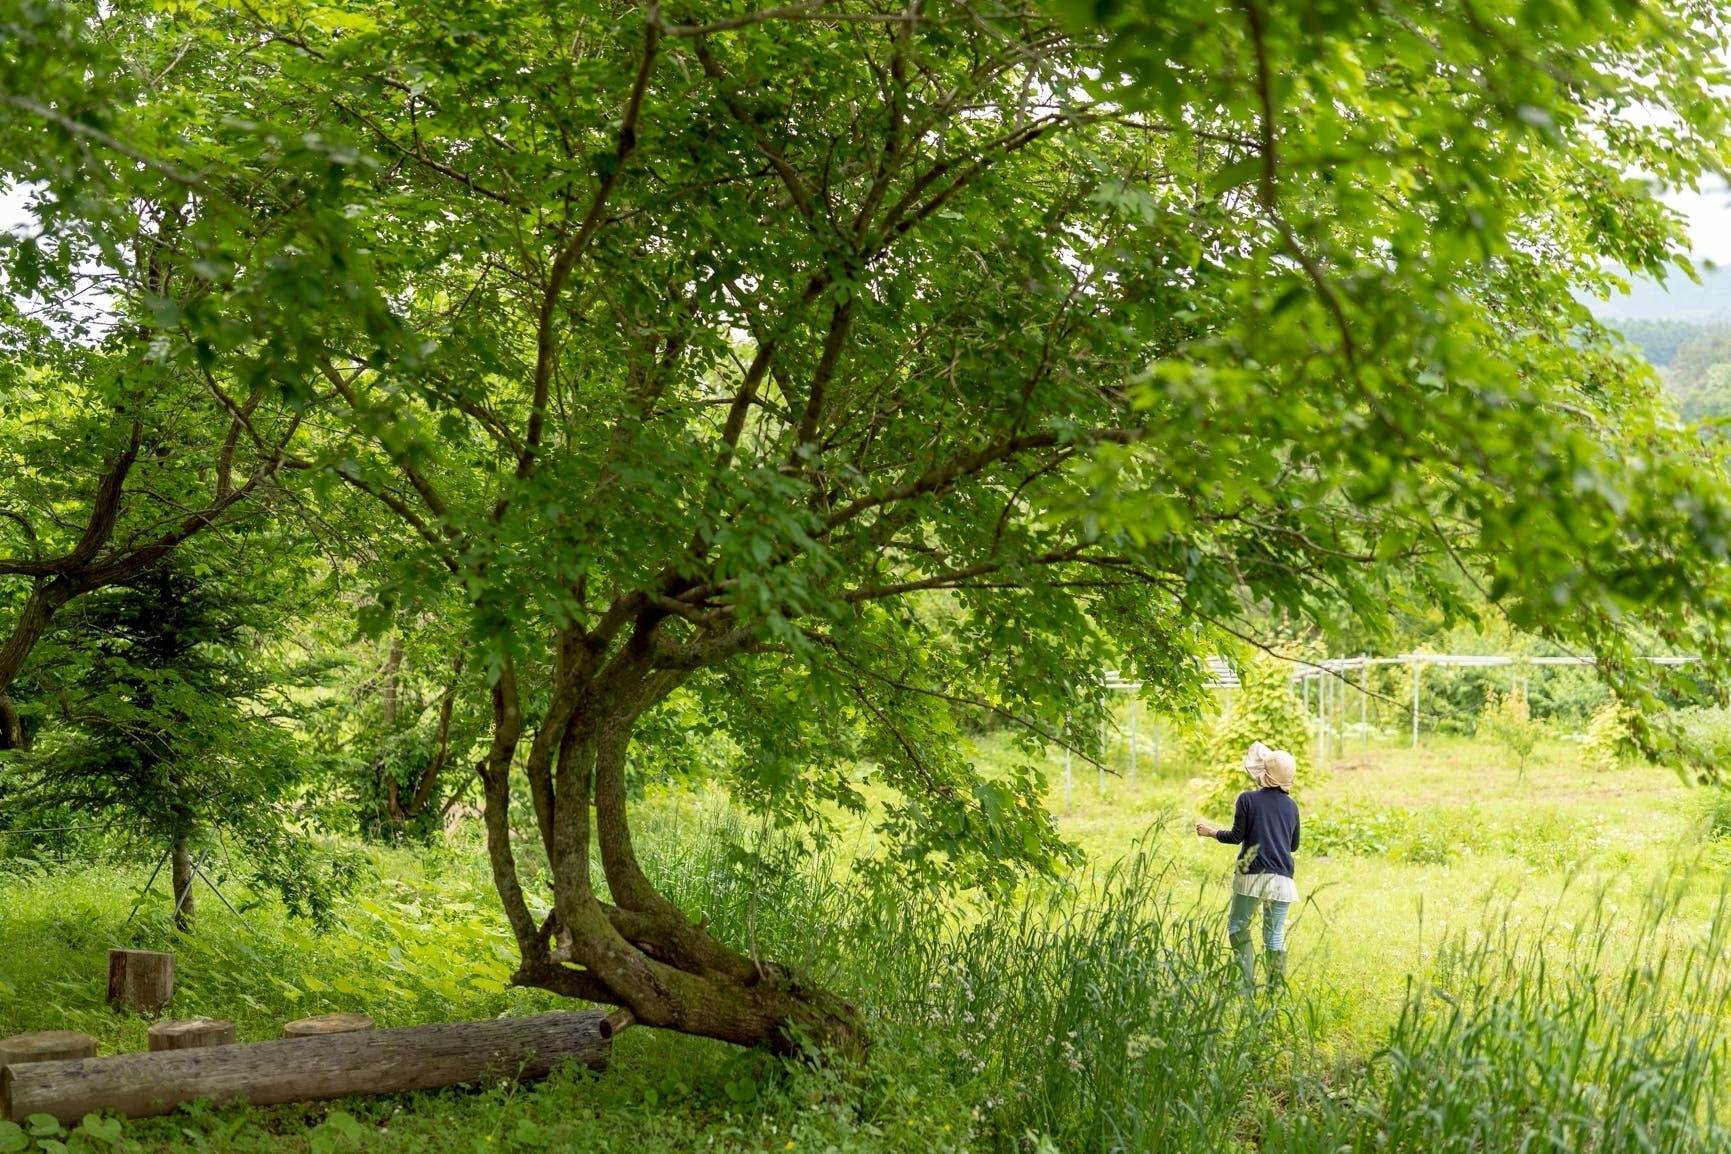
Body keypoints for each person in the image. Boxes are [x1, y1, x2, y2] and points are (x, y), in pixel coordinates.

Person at [1195, 740, 1300, 993]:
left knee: (1238, 927)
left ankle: (1246, 984)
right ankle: (1276, 991)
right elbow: (1293, 846)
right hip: (1283, 879)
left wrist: (1210, 832)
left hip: (1251, 875)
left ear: (1263, 774)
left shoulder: (1247, 800)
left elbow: (1235, 836)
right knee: (1273, 936)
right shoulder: (1292, 806)